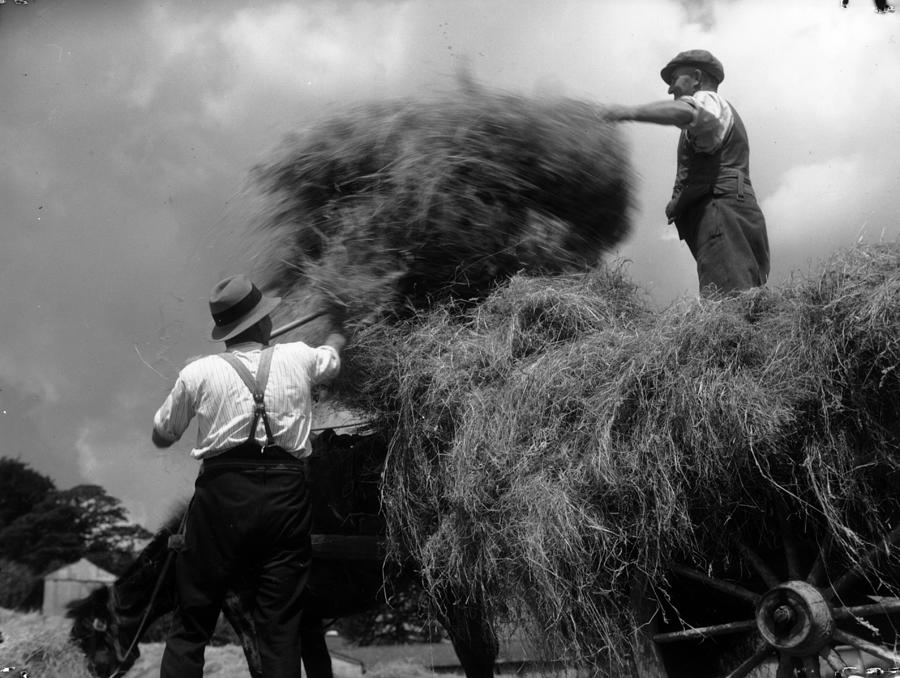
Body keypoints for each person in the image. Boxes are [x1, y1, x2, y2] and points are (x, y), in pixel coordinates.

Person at [151, 274, 345, 678]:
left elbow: (162, 435)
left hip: (221, 499)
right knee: (279, 630)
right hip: (285, 499)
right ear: (264, 324)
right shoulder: (299, 356)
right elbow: (332, 357)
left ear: (225, 330)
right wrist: (339, 331)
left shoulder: (199, 372)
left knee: (192, 623)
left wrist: (191, 383)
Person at [606, 49, 770, 296]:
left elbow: (686, 112)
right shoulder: (714, 113)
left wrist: (628, 113)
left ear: (696, 77)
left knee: (728, 302)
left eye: (674, 79)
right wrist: (678, 202)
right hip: (728, 208)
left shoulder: (707, 99)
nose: (670, 89)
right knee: (741, 294)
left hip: (720, 210)